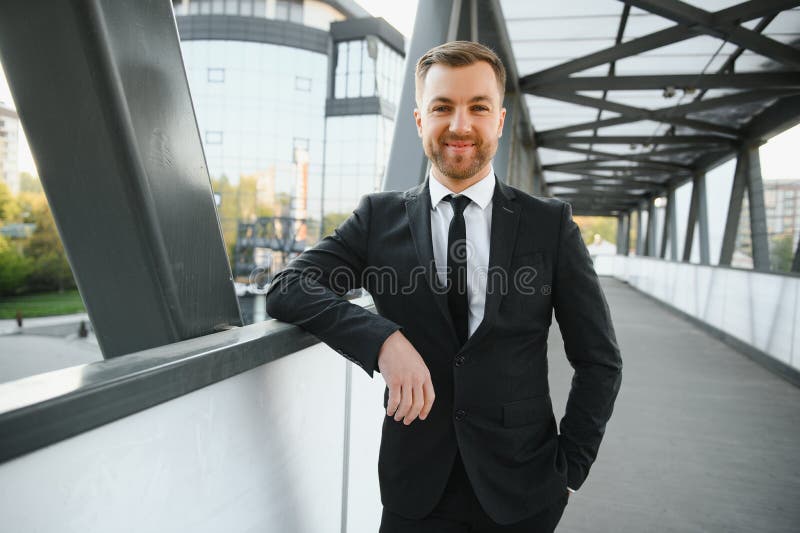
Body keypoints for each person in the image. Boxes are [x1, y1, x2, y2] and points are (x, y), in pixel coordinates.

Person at [266, 40, 622, 533]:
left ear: (500, 121)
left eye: (478, 107)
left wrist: (570, 472)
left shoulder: (550, 225)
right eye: (442, 107)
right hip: (415, 491)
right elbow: (287, 285)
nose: (460, 125)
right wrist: (383, 341)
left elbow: (599, 360)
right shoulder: (378, 218)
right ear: (419, 120)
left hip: (525, 490)